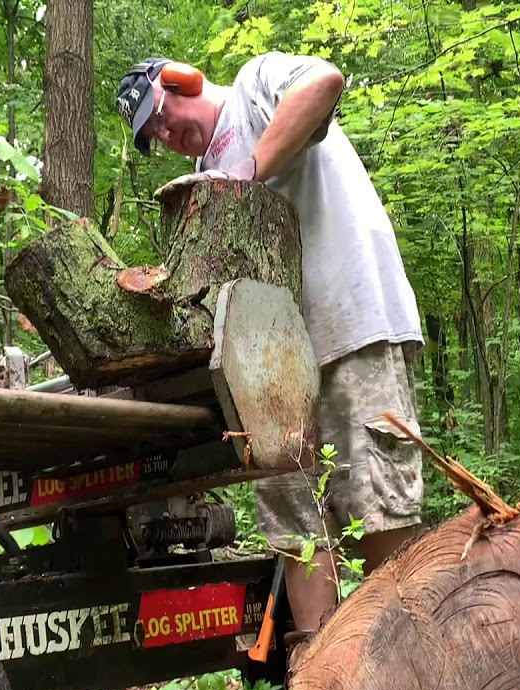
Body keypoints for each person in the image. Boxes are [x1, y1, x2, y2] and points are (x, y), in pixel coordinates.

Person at [115, 53, 425, 638]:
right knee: (297, 528)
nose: (165, 134)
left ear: (182, 82)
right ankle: (318, 679)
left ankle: (411, 667)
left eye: (160, 114)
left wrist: (249, 171)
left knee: (380, 506)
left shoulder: (255, 87)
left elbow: (324, 81)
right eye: (153, 135)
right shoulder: (202, 177)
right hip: (272, 370)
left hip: (350, 328)